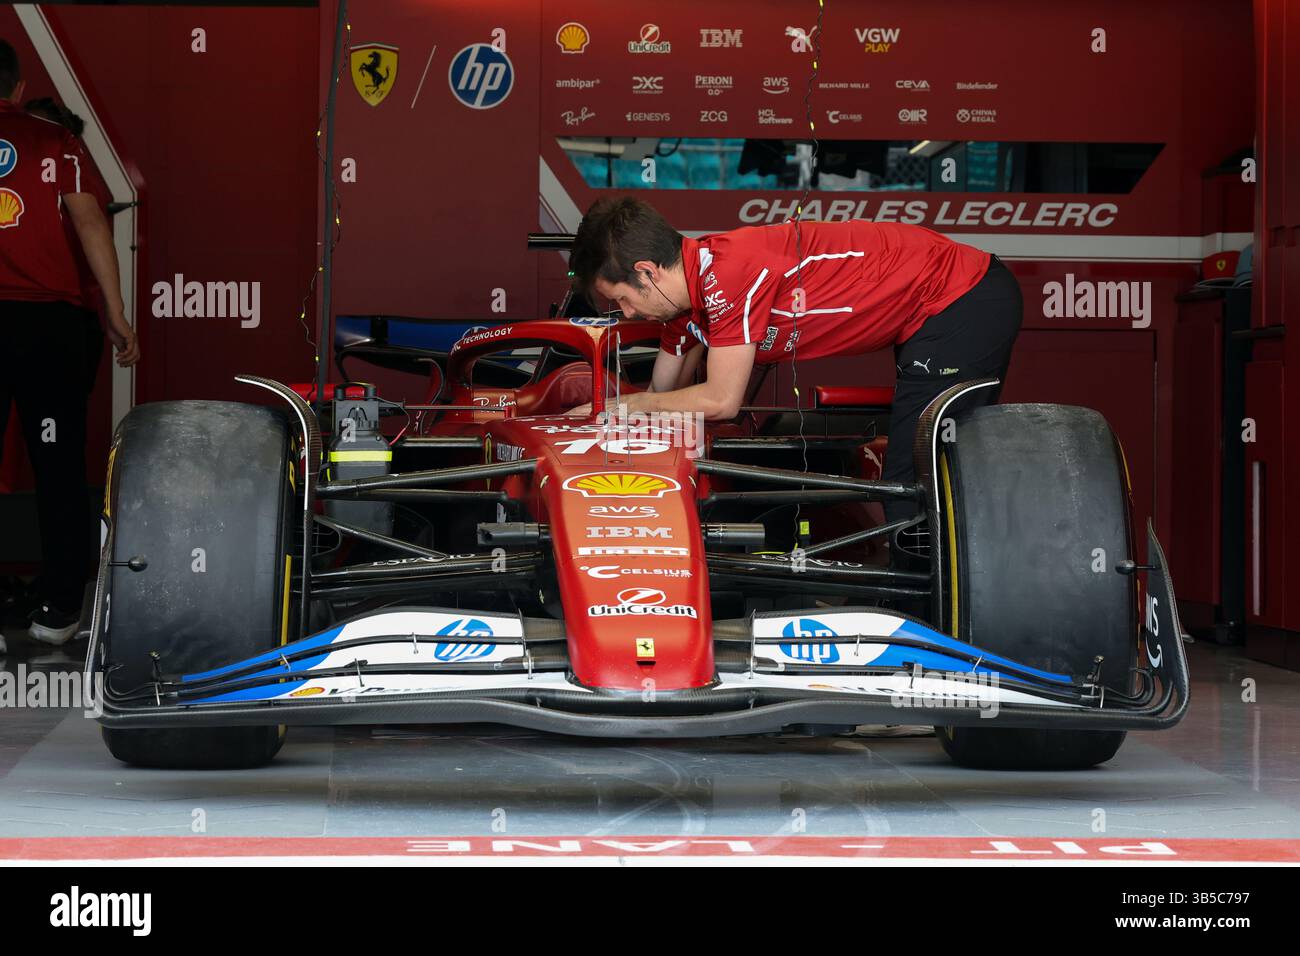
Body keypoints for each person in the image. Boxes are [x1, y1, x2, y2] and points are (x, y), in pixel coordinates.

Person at [566, 196, 1023, 531]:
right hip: (933, 314)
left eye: (622, 300)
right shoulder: (686, 306)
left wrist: (629, 408)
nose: (626, 315)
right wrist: (595, 421)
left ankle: (927, 625)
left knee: (911, 481)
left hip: (964, 297)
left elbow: (722, 401)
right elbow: (660, 398)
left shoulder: (727, 272)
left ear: (647, 271)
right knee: (916, 478)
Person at [0, 39, 139, 652]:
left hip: (35, 324)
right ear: (18, 83)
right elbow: (90, 223)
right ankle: (60, 605)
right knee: (57, 465)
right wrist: (116, 312)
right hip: (48, 328)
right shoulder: (55, 140)